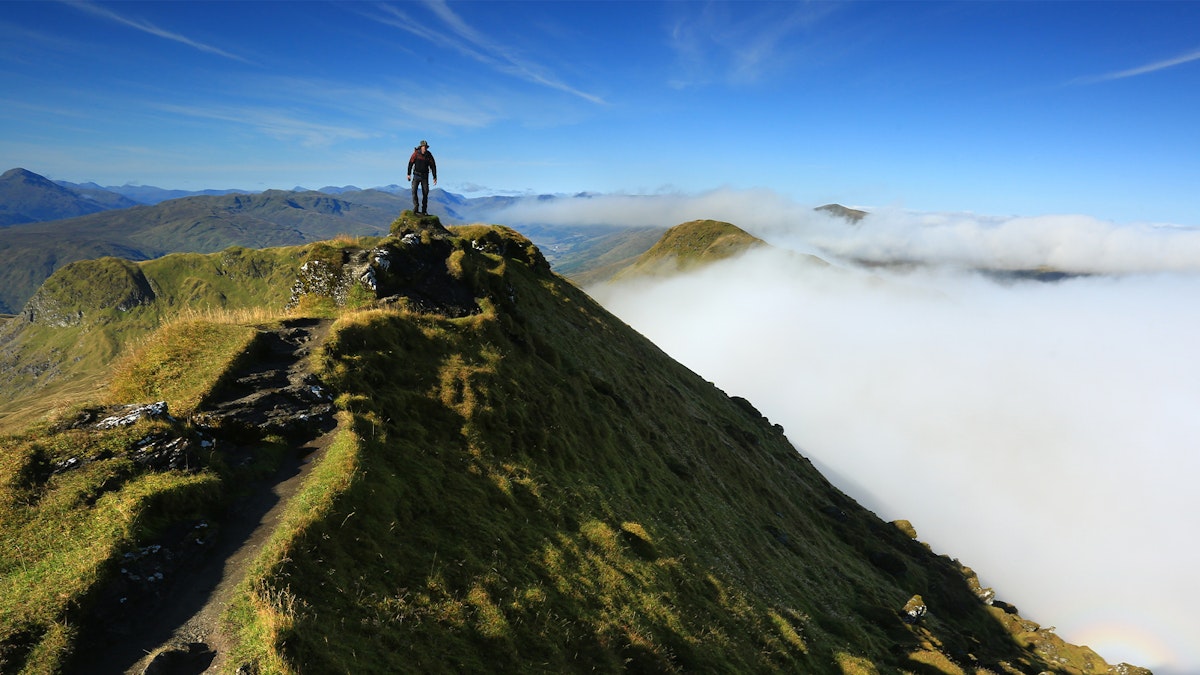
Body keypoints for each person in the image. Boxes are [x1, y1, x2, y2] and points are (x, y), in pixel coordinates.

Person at [406, 140, 437, 215]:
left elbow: (433, 166)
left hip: (425, 176)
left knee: (425, 193)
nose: (425, 148)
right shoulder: (416, 154)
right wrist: (408, 174)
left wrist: (434, 177)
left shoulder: (429, 155)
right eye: (423, 147)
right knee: (414, 191)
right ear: (421, 147)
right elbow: (410, 163)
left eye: (426, 147)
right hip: (416, 175)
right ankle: (416, 207)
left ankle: (424, 210)